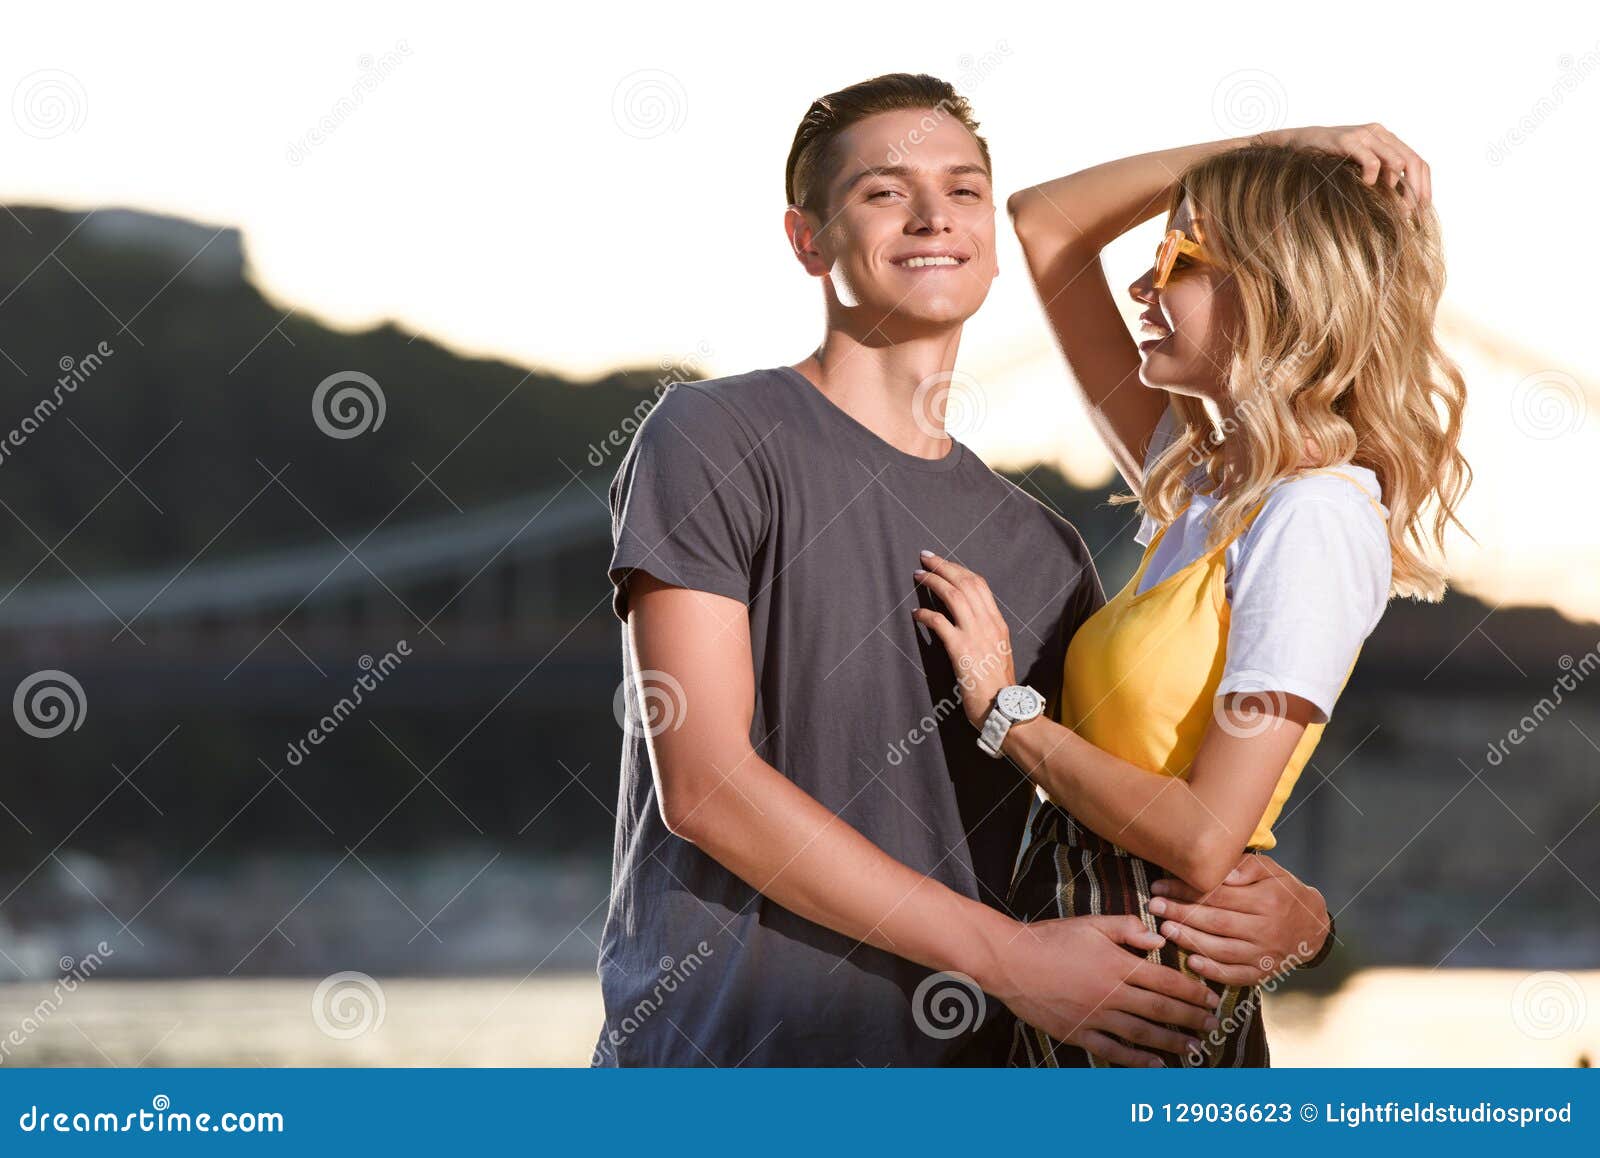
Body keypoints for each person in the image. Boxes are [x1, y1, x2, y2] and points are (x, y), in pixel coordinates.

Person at [594, 74, 1334, 1068]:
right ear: (808, 240)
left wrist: (1296, 915)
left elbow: (1119, 812)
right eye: (884, 191)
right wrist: (1012, 958)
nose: (933, 215)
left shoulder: (1045, 550)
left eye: (963, 190)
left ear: (985, 234)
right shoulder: (712, 438)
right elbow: (706, 786)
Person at [912, 125, 1470, 1066]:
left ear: (1280, 290)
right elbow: (1047, 224)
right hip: (1078, 950)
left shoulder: (1314, 517)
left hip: (1150, 977)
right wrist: (1288, 145)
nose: (1143, 285)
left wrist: (1006, 712)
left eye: (1180, 259)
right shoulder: (1206, 485)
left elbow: (1208, 840)